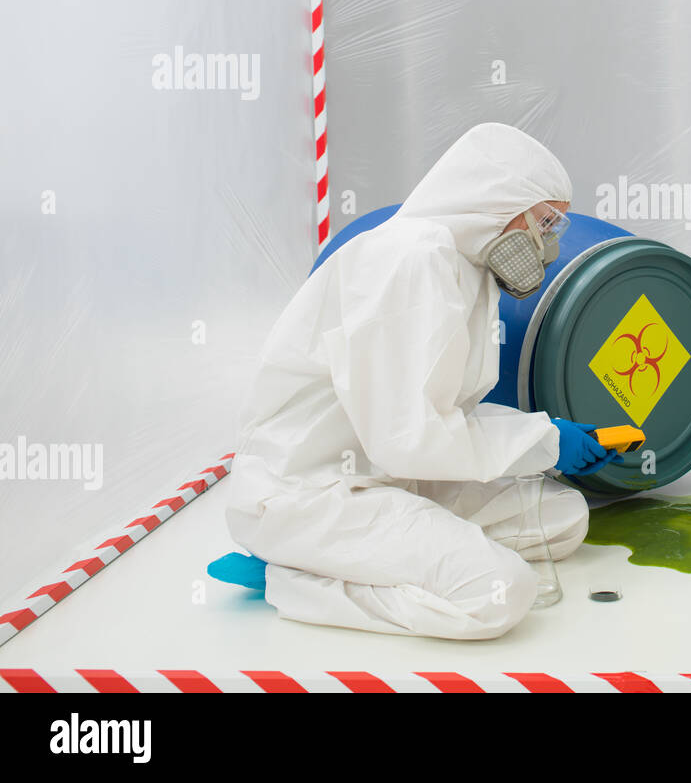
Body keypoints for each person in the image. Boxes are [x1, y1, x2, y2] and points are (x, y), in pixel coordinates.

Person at [224, 123, 615, 639]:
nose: (548, 243)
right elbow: (409, 438)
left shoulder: (466, 265)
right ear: (498, 201)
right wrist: (544, 441)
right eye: (545, 221)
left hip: (388, 474)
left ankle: (385, 558)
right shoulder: (408, 258)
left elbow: (441, 415)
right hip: (313, 494)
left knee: (562, 517)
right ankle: (295, 578)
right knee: (501, 593)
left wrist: (550, 432)